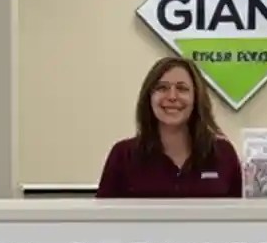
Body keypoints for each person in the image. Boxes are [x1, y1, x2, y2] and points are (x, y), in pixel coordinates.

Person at [96, 56, 243, 198]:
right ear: (149, 98)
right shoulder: (123, 156)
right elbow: (101, 214)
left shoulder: (223, 154)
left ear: (197, 98)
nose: (172, 96)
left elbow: (242, 212)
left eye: (182, 88)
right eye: (162, 88)